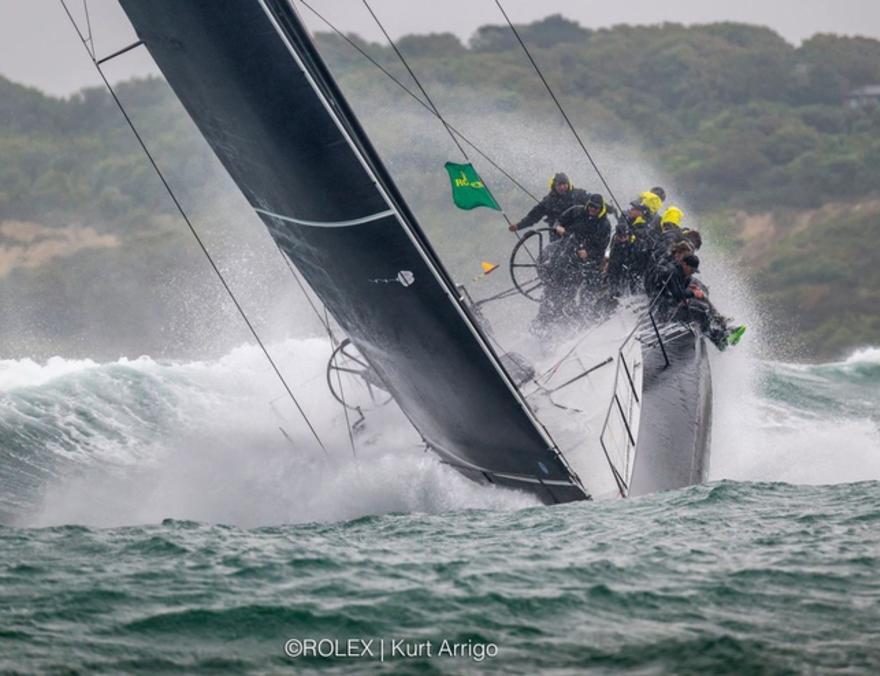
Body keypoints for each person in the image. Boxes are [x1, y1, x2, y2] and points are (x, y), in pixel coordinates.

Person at [651, 254, 745, 350]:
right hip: (665, 312)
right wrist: (692, 293)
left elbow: (679, 292)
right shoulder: (672, 273)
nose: (692, 273)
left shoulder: (682, 273)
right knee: (701, 313)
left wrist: (691, 290)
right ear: (684, 264)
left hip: (673, 306)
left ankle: (723, 328)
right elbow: (677, 294)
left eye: (694, 271)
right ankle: (718, 340)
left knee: (704, 306)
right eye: (691, 270)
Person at [509, 173, 589, 240]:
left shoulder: (579, 195)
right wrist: (518, 226)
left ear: (568, 184)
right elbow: (534, 216)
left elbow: (596, 205)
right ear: (554, 186)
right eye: (559, 185)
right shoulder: (548, 201)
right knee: (547, 255)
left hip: (579, 236)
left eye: (564, 184)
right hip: (557, 238)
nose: (562, 187)